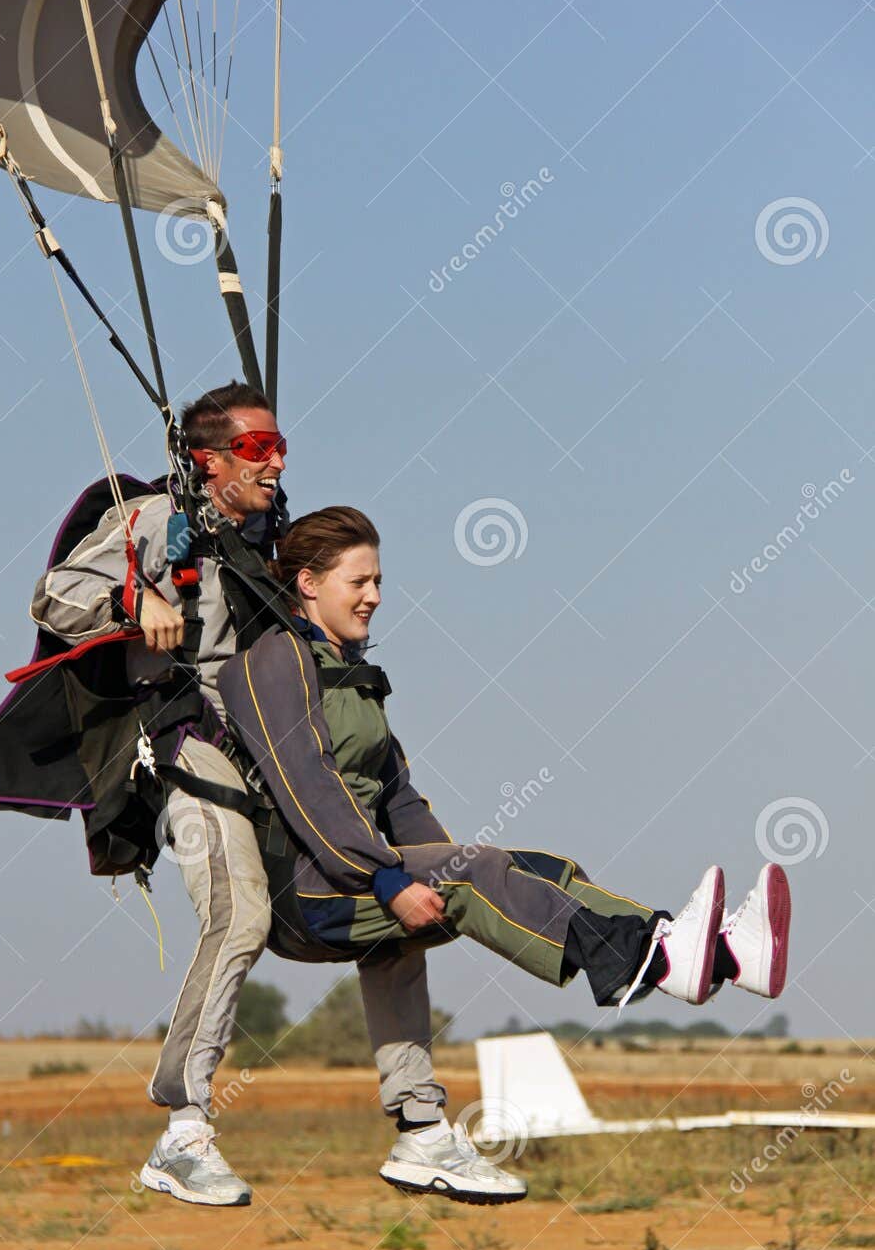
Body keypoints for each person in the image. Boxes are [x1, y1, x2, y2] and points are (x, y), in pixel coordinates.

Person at [217, 506, 792, 1206]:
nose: (374, 596)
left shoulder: (350, 672)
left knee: (535, 868)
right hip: (310, 891)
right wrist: (393, 878)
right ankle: (656, 963)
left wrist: (442, 861)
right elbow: (308, 787)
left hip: (361, 871)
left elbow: (398, 797)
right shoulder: (272, 661)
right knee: (481, 874)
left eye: (379, 581)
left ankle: (718, 953)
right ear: (307, 583)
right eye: (358, 582)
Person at [27, 381, 292, 1208]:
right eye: (256, 449)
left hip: (273, 762)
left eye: (280, 447)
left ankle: (419, 1121)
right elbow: (53, 595)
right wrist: (132, 598)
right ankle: (183, 1126)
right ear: (207, 460)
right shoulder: (151, 521)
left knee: (384, 895)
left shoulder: (270, 540)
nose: (275, 463)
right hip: (186, 748)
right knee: (238, 916)